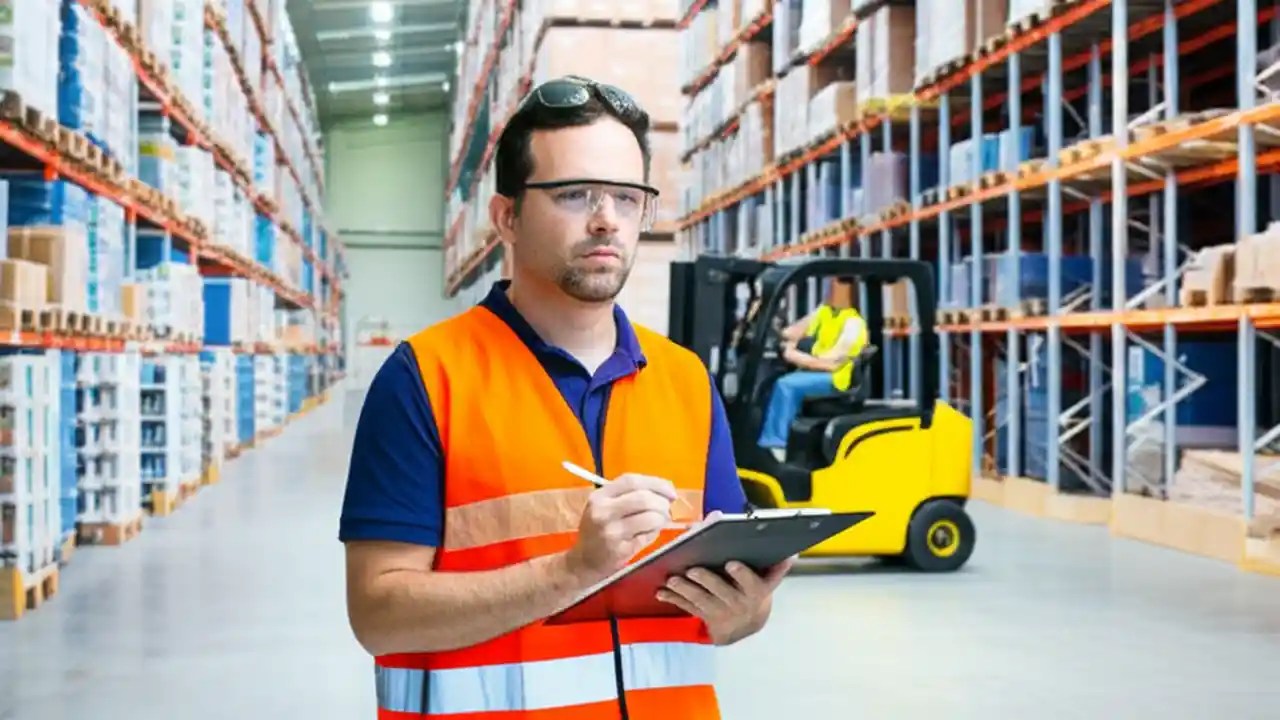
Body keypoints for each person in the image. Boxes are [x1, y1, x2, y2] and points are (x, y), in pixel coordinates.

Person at [339, 75, 792, 719]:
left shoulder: (685, 379)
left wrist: (747, 610)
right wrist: (572, 571)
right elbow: (379, 617)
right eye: (575, 194)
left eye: (628, 197)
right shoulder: (427, 378)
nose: (607, 218)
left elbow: (728, 607)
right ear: (507, 218)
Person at [757, 278, 868, 450]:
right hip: (820, 372)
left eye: (835, 288)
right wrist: (770, 324)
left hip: (837, 379)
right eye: (830, 287)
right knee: (771, 383)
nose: (830, 292)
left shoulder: (853, 324)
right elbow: (793, 332)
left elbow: (831, 365)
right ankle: (778, 435)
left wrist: (795, 356)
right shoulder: (825, 312)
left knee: (786, 385)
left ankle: (776, 445)